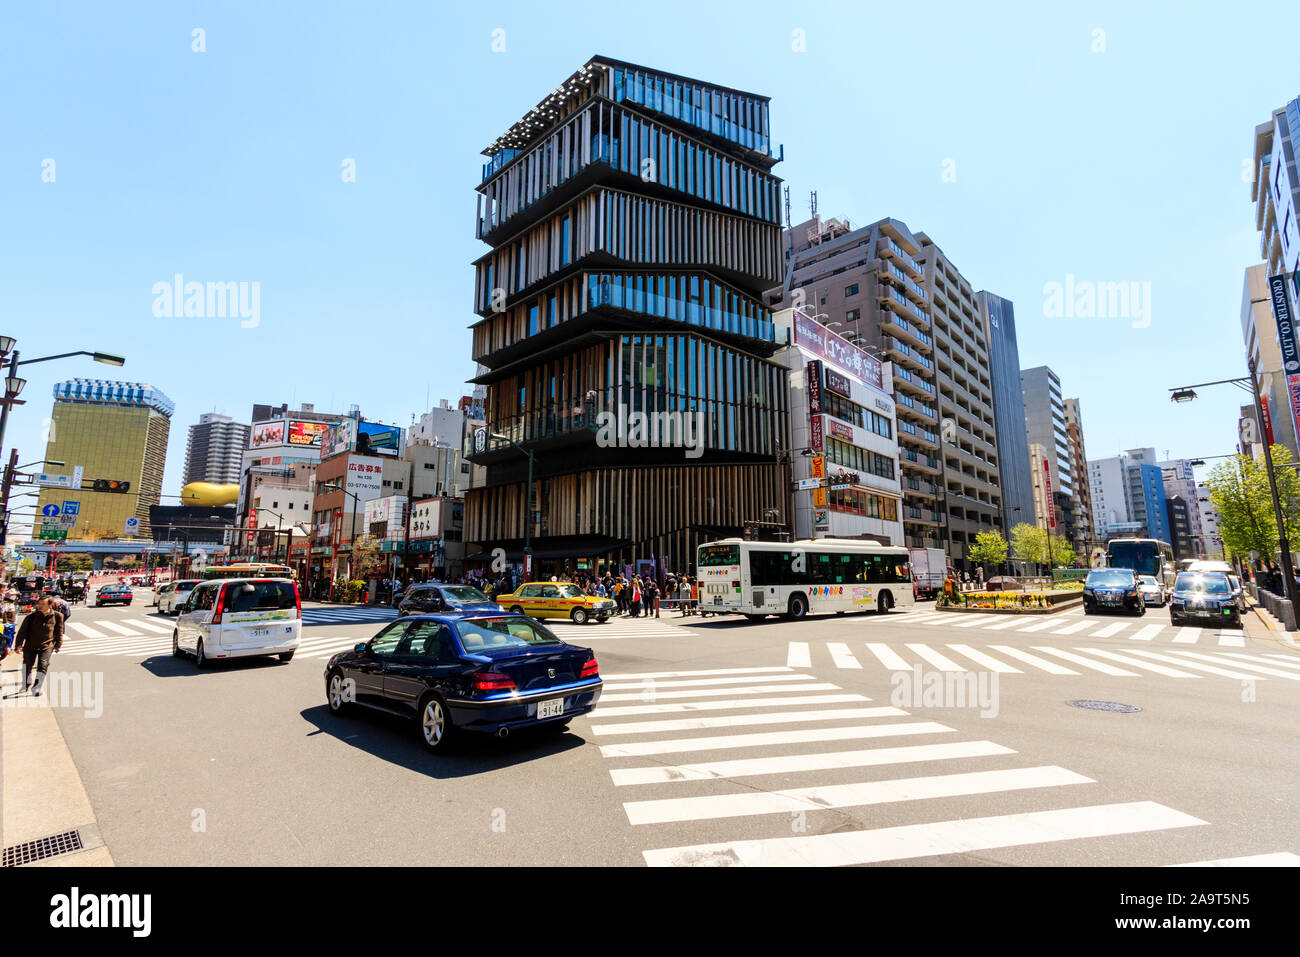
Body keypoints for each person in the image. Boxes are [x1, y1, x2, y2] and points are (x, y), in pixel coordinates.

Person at [14, 595, 63, 696]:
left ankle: (37, 687)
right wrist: (18, 646)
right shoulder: (30, 617)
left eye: (42, 604)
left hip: (46, 646)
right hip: (30, 646)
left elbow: (59, 631)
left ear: (50, 605)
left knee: (43, 666)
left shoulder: (58, 616)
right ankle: (26, 684)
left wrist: (58, 644)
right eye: (39, 604)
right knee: (27, 666)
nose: (39, 606)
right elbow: (22, 632)